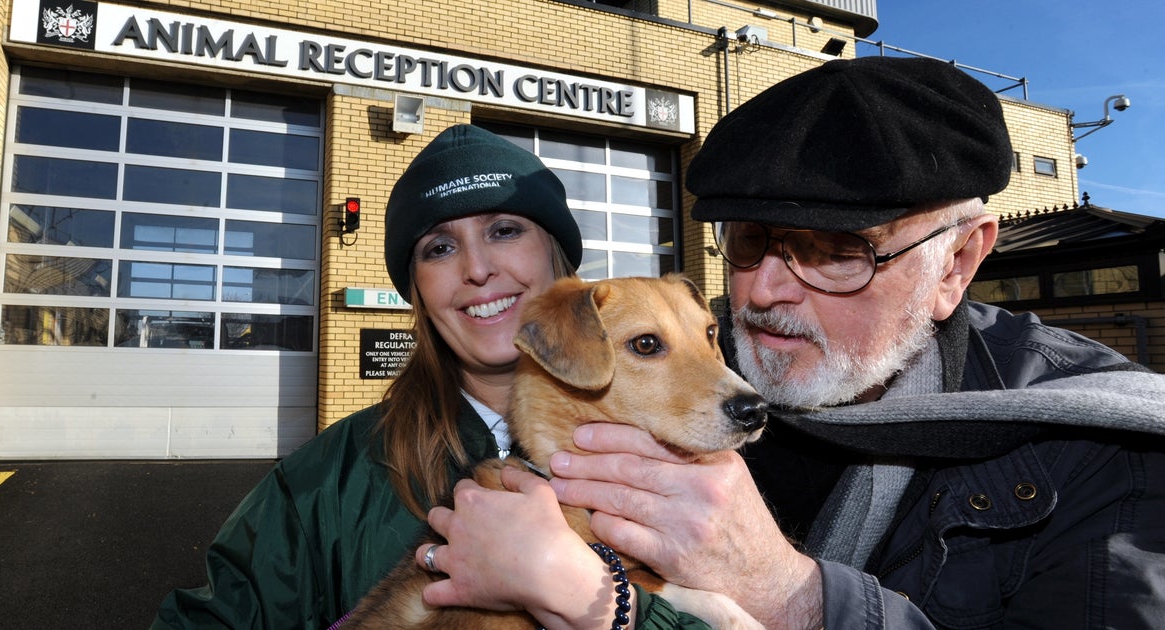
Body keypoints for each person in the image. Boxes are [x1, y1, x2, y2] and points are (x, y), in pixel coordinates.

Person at [422, 57, 1165, 629]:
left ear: (956, 264)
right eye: (750, 242)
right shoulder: (690, 364)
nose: (764, 292)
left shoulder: (1105, 453)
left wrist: (791, 596)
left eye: (837, 250)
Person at [150, 124, 701, 629]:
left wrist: (613, 608)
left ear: (556, 257)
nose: (477, 269)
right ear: (418, 291)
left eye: (504, 230)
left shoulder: (688, 451)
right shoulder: (323, 482)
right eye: (440, 248)